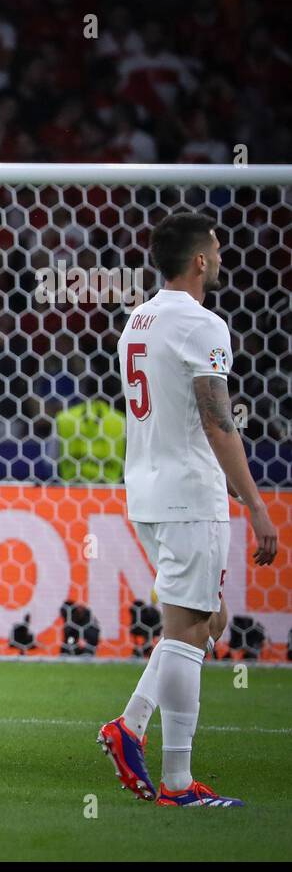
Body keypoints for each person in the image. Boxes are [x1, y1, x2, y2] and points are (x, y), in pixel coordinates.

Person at [101, 212, 278, 807]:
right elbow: (217, 419)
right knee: (187, 628)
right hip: (190, 494)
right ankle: (176, 783)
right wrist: (254, 503)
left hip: (147, 490)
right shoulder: (204, 325)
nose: (222, 259)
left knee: (209, 621)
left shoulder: (137, 320)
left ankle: (129, 727)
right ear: (200, 260)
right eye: (218, 251)